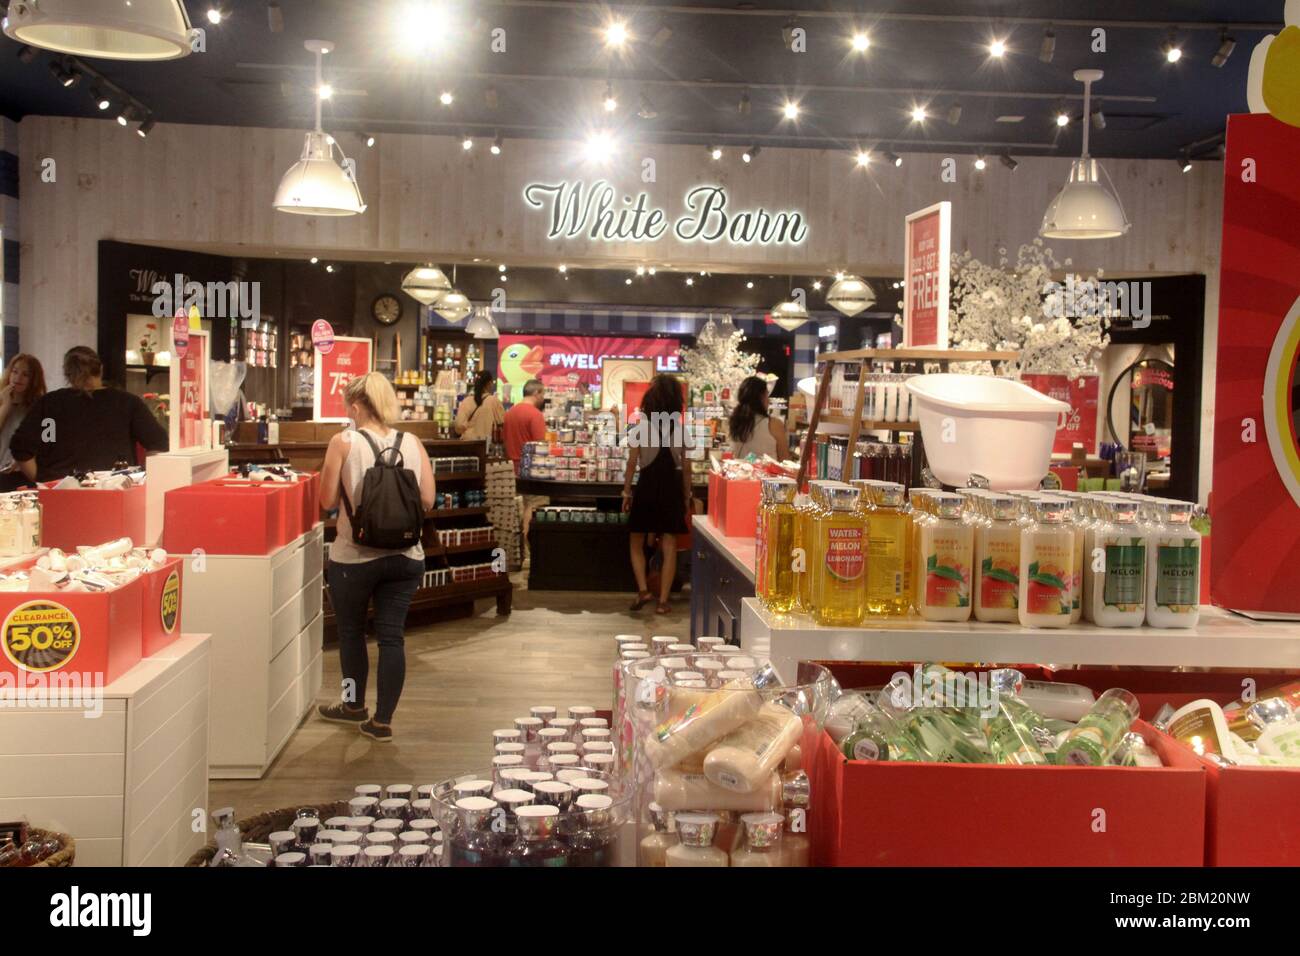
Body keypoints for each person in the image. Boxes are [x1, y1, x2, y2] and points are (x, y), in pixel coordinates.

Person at [317, 372, 436, 742]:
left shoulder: (343, 442)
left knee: (351, 634)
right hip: (406, 556)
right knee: (391, 638)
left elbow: (326, 502)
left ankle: (353, 707)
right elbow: (428, 501)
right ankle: (382, 721)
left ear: (355, 406)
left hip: (354, 558)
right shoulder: (413, 442)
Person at [10, 346, 168, 482]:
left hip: (59, 492)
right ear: (101, 369)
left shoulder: (49, 403)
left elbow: (20, 448)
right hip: (114, 489)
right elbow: (159, 444)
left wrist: (42, 479)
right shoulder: (127, 403)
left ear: (67, 374)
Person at [623, 374, 692, 614]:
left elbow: (632, 463)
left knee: (636, 539)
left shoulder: (640, 427)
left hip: (647, 485)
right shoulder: (681, 429)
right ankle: (663, 601)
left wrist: (626, 492)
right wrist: (687, 495)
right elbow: (686, 468)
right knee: (670, 543)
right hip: (672, 486)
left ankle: (643, 589)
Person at [503, 379, 549, 565]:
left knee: (516, 511)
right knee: (533, 508)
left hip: (511, 469)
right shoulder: (535, 415)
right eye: (543, 394)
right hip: (532, 471)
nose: (543, 398)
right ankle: (530, 554)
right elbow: (541, 446)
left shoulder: (510, 413)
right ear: (537, 393)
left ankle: (515, 554)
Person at [0, 354, 47, 491]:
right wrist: (6, 406)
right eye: (14, 371)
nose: (18, 378)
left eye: (25, 374)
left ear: (33, 379)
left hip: (24, 474)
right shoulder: (3, 401)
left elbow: (48, 440)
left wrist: (22, 459)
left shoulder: (41, 407)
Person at [728, 375, 789, 461]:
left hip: (739, 472)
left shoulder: (735, 422)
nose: (768, 400)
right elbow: (785, 460)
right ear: (761, 397)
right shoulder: (774, 424)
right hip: (766, 473)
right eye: (767, 395)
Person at [455, 369, 505, 442]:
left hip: (468, 443)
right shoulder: (494, 401)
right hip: (486, 444)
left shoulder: (466, 401)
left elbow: (458, 427)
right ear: (489, 383)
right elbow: (502, 423)